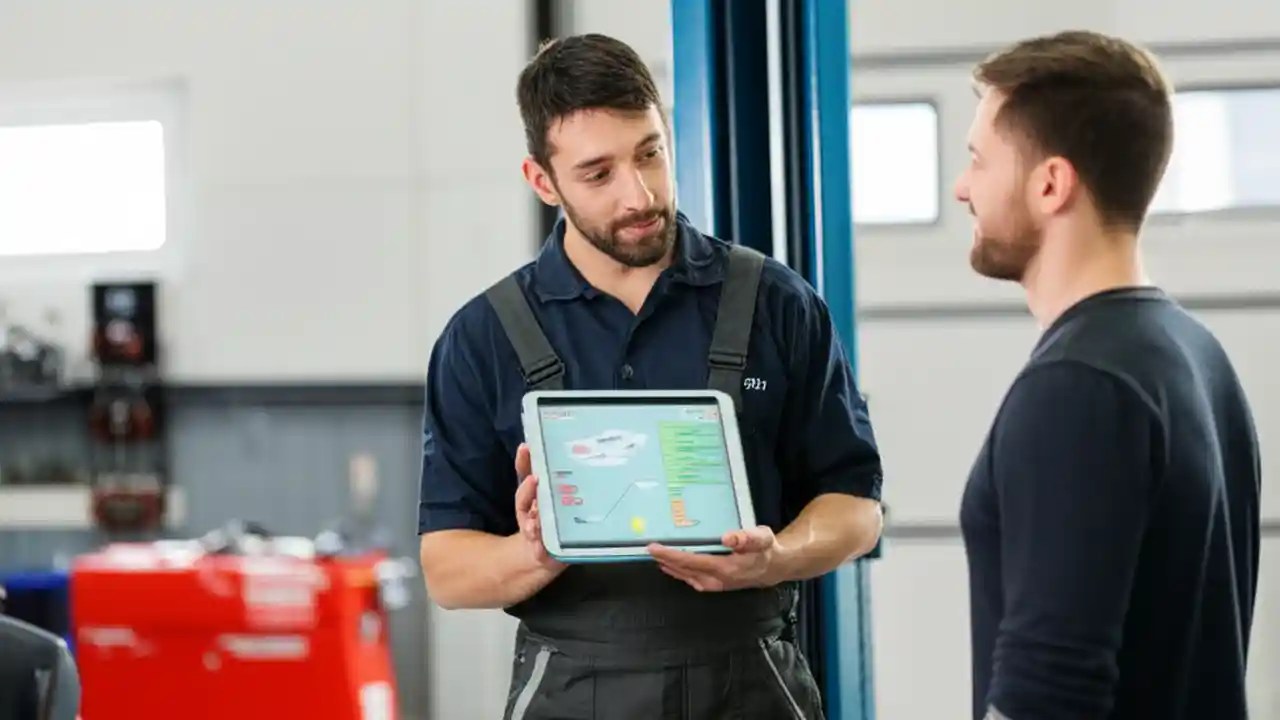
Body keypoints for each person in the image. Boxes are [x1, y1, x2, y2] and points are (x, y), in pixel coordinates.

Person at [416, 33, 884, 720]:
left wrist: (776, 556)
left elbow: (858, 509)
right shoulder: (482, 338)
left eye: (650, 154)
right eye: (598, 174)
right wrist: (536, 554)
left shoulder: (777, 304)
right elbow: (445, 568)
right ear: (542, 181)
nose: (639, 195)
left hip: (751, 684)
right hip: (573, 689)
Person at [954, 30, 1262, 720]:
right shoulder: (1193, 354)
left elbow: (1048, 695)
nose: (962, 187)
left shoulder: (1077, 386)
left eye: (978, 160)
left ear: (1051, 183)